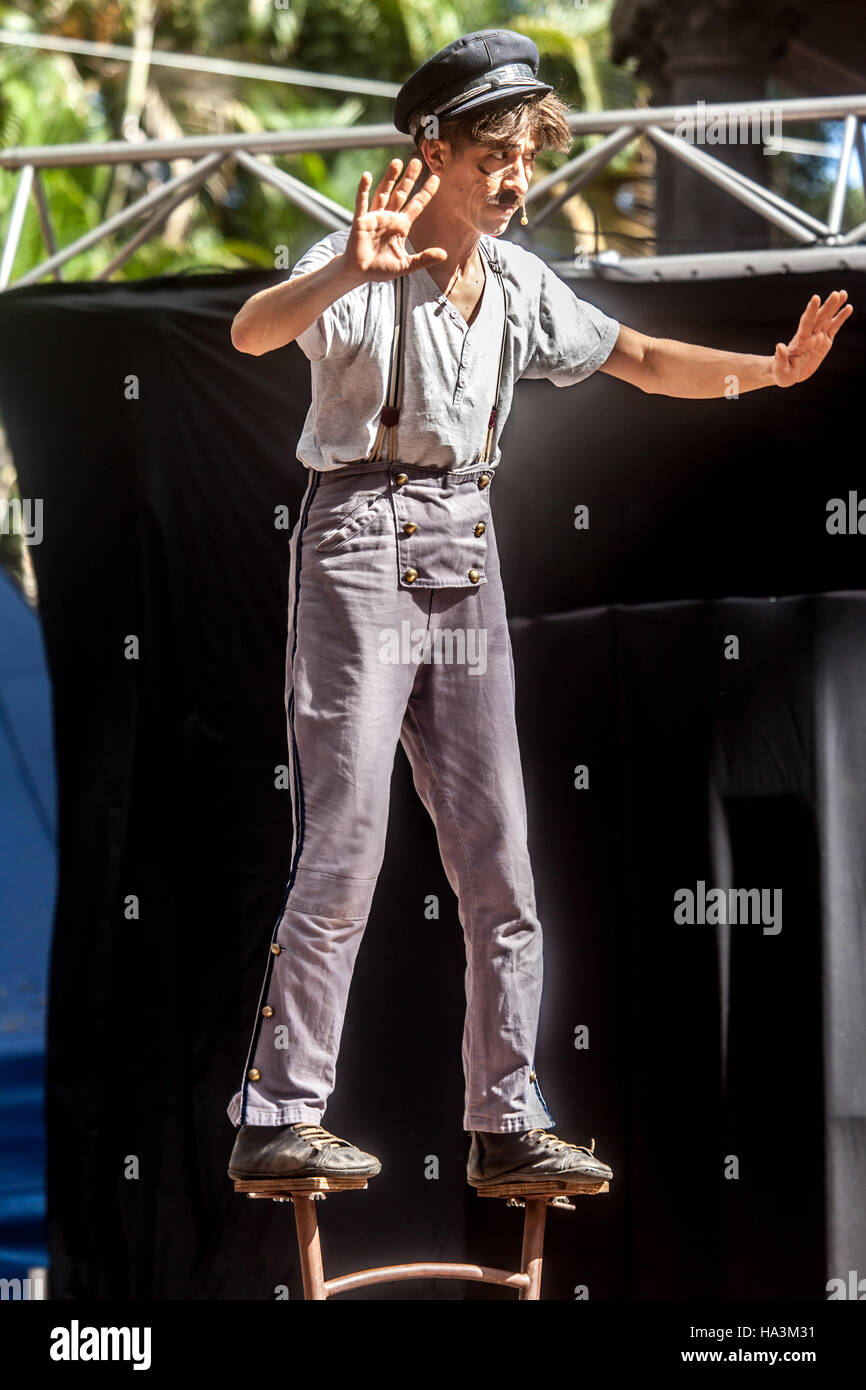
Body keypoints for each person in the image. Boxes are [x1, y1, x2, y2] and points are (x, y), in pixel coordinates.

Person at [225, 29, 851, 1195]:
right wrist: (341, 274)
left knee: (500, 864)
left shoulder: (516, 283)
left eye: (525, 158)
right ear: (435, 150)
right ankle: (277, 1109)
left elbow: (641, 357)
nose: (515, 179)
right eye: (493, 156)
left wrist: (767, 375)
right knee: (347, 844)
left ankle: (504, 1120)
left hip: (467, 540)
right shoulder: (363, 259)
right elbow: (252, 331)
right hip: (361, 539)